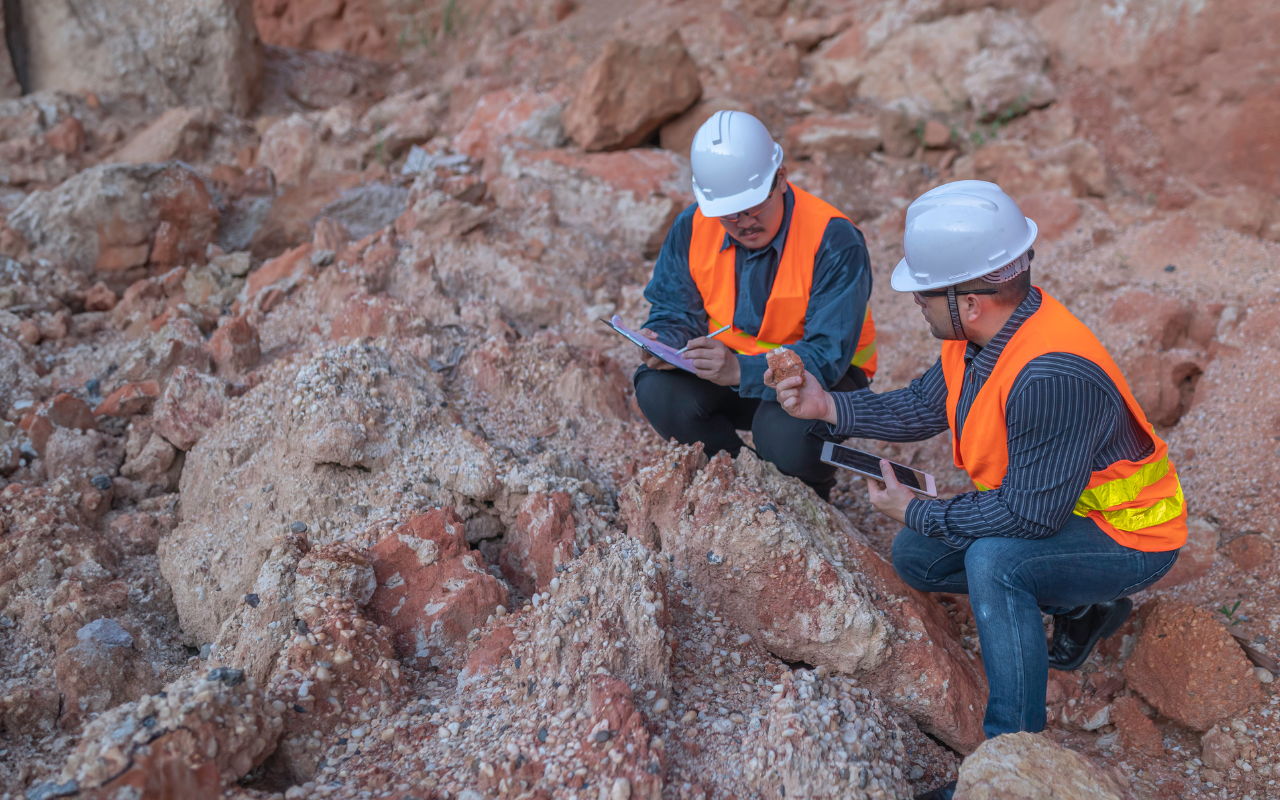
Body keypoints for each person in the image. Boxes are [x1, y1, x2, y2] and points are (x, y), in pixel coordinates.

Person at [768, 181, 1185, 800]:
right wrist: (827, 405)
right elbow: (920, 406)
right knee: (917, 554)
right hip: (1066, 516)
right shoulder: (983, 337)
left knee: (996, 561)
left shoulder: (1049, 373)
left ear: (969, 299)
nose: (916, 303)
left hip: (1133, 536)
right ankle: (1083, 605)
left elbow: (1028, 516)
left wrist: (923, 508)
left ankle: (1010, 760)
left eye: (925, 292)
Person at [635, 110, 878, 500]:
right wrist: (666, 342)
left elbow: (828, 354)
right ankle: (740, 484)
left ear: (780, 179)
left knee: (784, 437)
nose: (743, 221)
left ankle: (809, 495)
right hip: (731, 372)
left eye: (753, 205)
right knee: (658, 391)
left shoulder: (833, 239)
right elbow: (674, 309)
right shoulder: (693, 225)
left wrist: (738, 370)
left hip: (822, 379)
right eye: (729, 213)